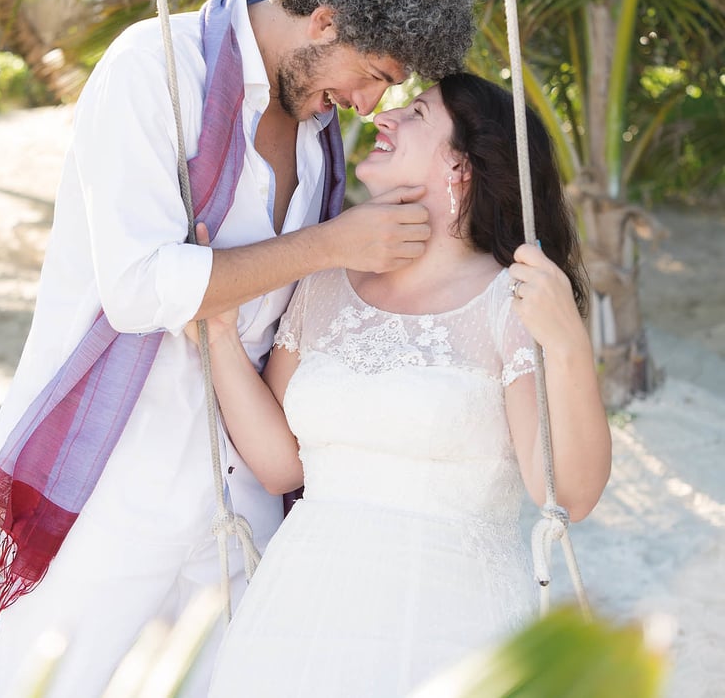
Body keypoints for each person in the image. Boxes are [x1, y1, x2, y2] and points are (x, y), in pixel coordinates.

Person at [0, 0, 475, 698]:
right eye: (373, 72)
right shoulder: (155, 69)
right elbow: (138, 288)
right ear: (325, 20)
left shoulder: (320, 133)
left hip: (242, 484)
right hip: (116, 470)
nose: (369, 101)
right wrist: (333, 243)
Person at [204, 73, 612, 698]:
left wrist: (567, 346)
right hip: (299, 611)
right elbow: (282, 468)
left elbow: (567, 495)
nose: (383, 118)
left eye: (416, 112)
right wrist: (221, 337)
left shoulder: (514, 299)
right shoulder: (328, 283)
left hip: (449, 621)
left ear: (464, 164)